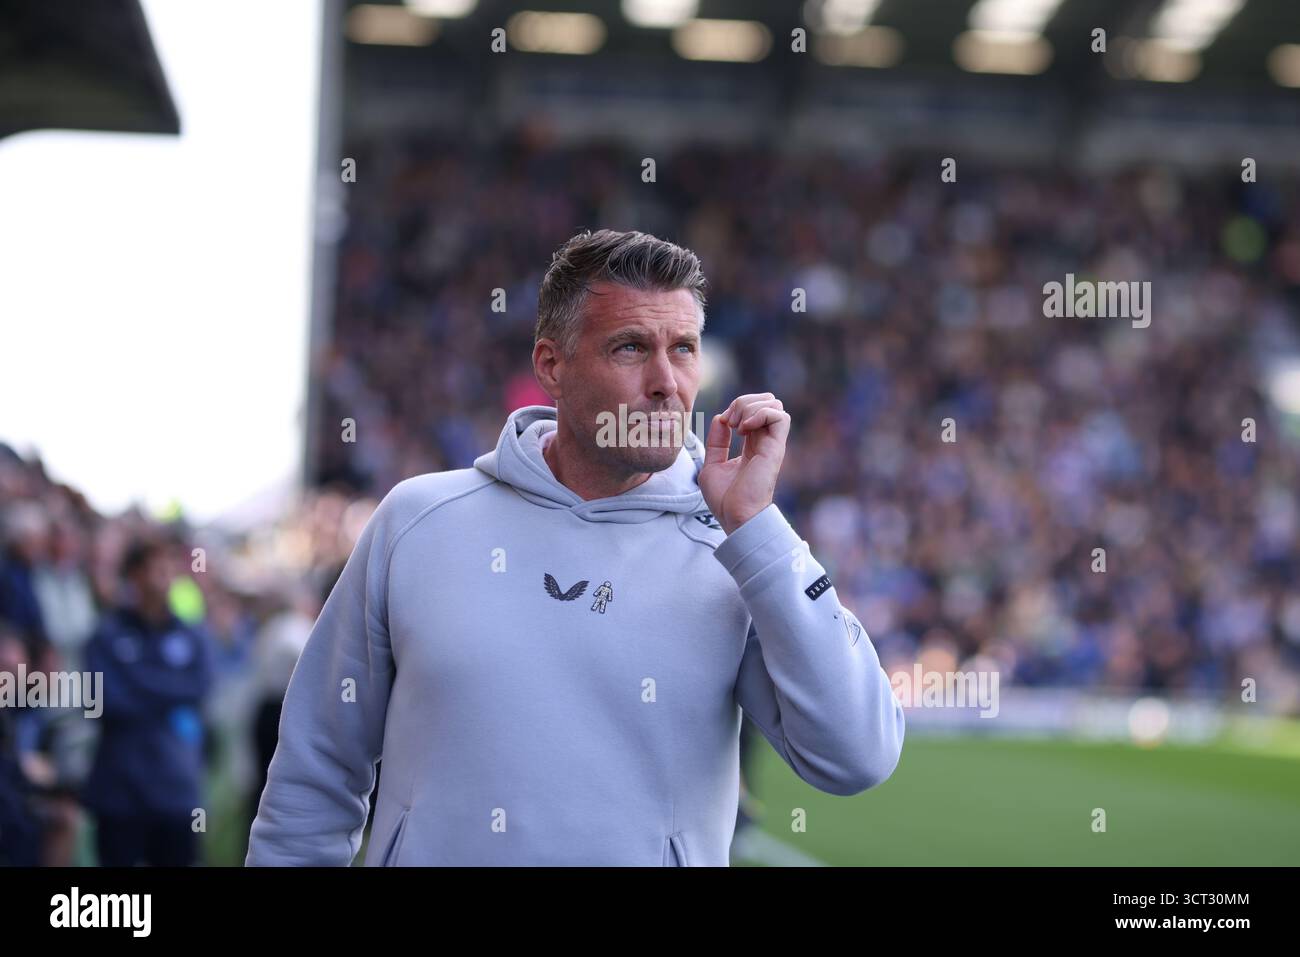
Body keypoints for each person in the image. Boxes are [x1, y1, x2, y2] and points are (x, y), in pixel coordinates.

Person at [247, 228, 904, 866]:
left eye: (683, 349)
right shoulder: (418, 521)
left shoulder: (738, 550)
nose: (665, 381)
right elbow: (315, 773)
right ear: (551, 367)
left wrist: (758, 527)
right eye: (629, 348)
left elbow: (856, 755)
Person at [82, 539, 213, 866]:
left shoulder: (192, 635)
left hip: (176, 788)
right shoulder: (105, 634)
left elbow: (200, 688)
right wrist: (168, 692)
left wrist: (136, 679)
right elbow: (103, 702)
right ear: (135, 575)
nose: (166, 576)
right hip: (119, 789)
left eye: (172, 568)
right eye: (157, 568)